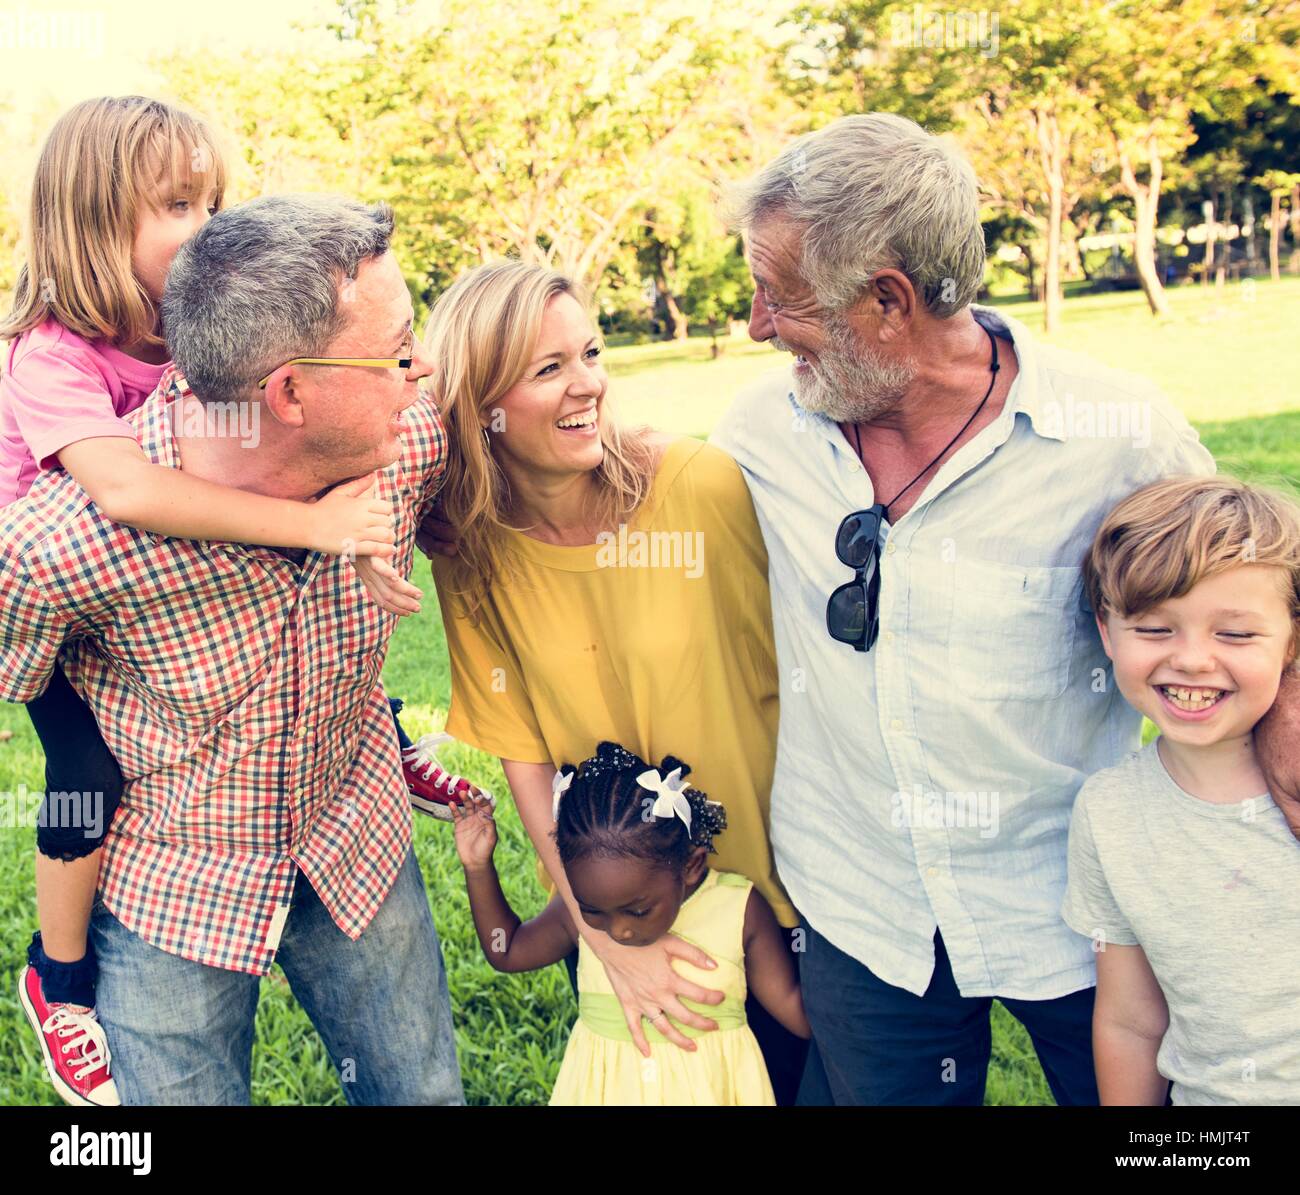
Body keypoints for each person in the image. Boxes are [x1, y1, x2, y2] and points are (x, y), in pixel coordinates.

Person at [707, 111, 1296, 1106]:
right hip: (861, 896)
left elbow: (1249, 588)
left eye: (780, 297)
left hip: (1072, 893)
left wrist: (1286, 736)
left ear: (887, 301)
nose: (757, 326)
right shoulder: (759, 431)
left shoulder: (1113, 432)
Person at [0, 193, 462, 1105]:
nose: (425, 370)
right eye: (398, 350)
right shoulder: (61, 545)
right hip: (176, 884)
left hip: (354, 836)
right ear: (289, 392)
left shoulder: (411, 439)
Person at [422, 260, 808, 1101]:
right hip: (620, 901)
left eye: (590, 353)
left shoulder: (699, 488)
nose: (588, 384)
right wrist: (604, 939)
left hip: (775, 897)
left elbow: (803, 675)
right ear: (482, 404)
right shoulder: (472, 551)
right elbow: (524, 754)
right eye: (549, 368)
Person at [1064, 475, 1300, 1105]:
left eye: (1236, 634)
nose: (1193, 660)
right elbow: (1130, 1021)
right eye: (1154, 629)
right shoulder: (1110, 813)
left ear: (1292, 640)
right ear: (1107, 633)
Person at [451, 740, 810, 1105]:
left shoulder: (739, 908)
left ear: (691, 866)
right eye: (593, 911)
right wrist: (478, 868)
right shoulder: (575, 913)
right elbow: (506, 950)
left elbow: (798, 1011)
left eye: (637, 911)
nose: (618, 931)